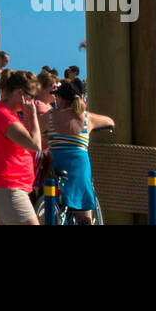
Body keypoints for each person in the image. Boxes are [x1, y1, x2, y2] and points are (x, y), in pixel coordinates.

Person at [47, 79, 114, 223]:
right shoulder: (87, 118)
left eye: (56, 96)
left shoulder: (50, 116)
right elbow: (110, 121)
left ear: (61, 99)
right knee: (84, 218)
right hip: (78, 168)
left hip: (54, 165)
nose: (55, 99)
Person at [0, 70, 42, 224]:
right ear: (20, 92)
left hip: (3, 188)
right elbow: (35, 144)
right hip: (8, 188)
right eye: (31, 96)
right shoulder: (5, 116)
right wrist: (33, 115)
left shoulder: (2, 110)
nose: (32, 101)